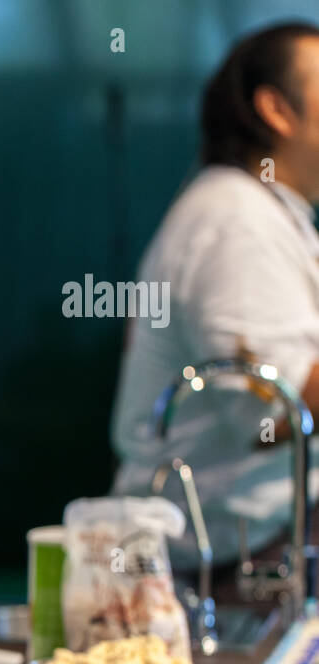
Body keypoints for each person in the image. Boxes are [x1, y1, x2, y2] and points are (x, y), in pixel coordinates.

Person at [109, 20, 319, 600]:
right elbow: (276, 411)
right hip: (216, 573)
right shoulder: (236, 221)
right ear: (276, 110)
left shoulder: (267, 214)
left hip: (247, 549)